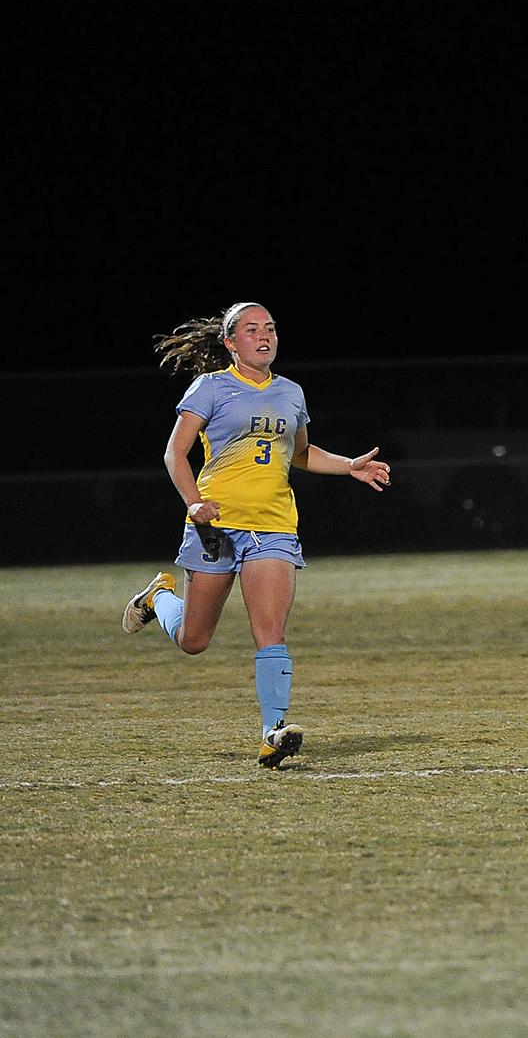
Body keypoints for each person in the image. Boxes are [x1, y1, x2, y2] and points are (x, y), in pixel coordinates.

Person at [121, 302, 391, 768]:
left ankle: (273, 731)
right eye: (251, 329)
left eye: (270, 328)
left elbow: (300, 454)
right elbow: (174, 453)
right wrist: (194, 504)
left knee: (271, 633)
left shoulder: (291, 392)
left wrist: (349, 466)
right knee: (193, 640)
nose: (264, 336)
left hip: (273, 526)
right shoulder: (211, 387)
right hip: (215, 527)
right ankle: (158, 598)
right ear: (230, 342)